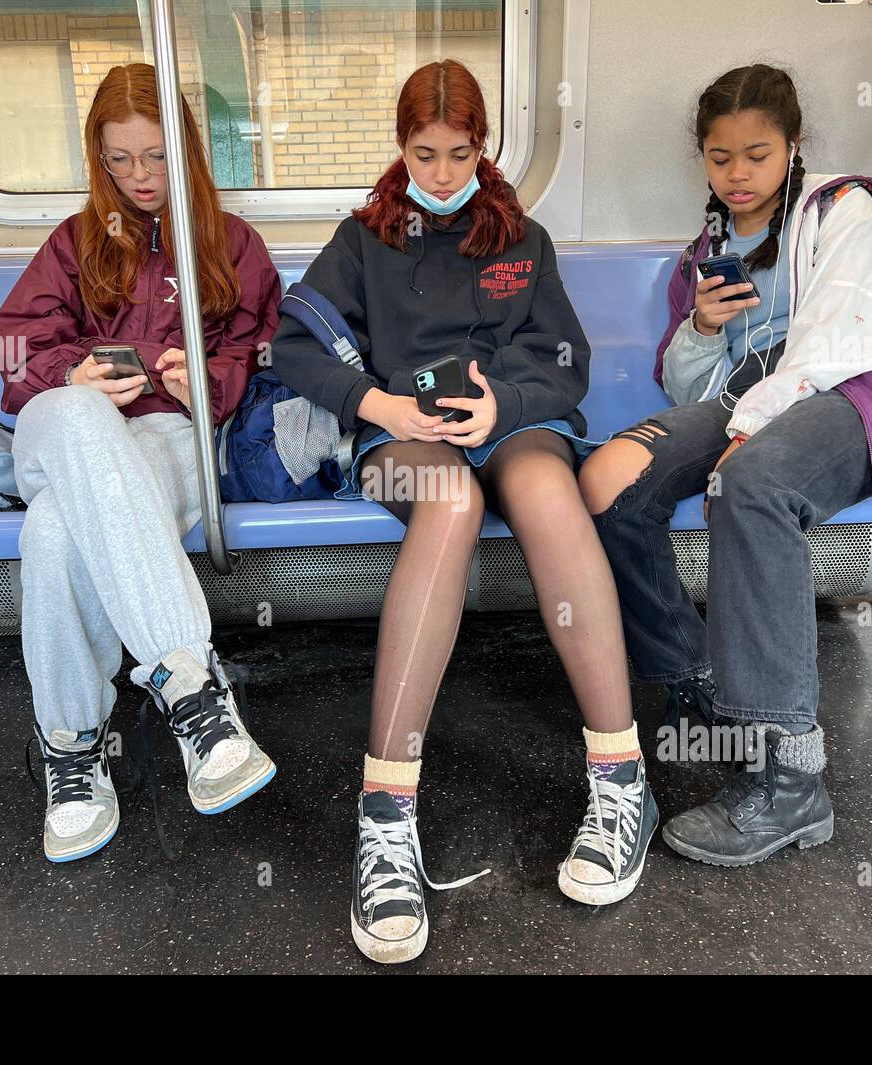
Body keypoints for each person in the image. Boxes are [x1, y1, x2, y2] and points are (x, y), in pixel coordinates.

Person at [273, 60, 655, 964]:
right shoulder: (364, 240)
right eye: (423, 154)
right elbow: (295, 349)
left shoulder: (522, 238)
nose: (441, 175)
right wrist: (381, 407)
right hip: (402, 436)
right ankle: (387, 812)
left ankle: (620, 776)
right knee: (445, 500)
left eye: (458, 154)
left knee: (546, 491)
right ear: (400, 150)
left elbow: (562, 361)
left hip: (511, 422)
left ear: (483, 148)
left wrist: (503, 409)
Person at [578, 64, 872, 868]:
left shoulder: (840, 210)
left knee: (753, 483)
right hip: (749, 404)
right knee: (608, 481)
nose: (737, 175)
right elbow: (683, 387)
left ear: (792, 147)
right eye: (718, 158)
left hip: (851, 399)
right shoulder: (708, 250)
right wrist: (704, 329)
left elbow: (840, 339)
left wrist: (752, 428)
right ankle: (697, 679)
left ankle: (790, 776)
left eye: (756, 154)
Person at [0, 63, 282, 863]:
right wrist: (71, 377)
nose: (140, 177)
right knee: (82, 414)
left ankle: (72, 745)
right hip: (63, 428)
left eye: (154, 156)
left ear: (185, 150)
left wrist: (208, 380)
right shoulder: (75, 242)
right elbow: (17, 348)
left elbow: (262, 359)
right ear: (98, 158)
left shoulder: (232, 246)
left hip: (167, 435)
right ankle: (190, 681)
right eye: (119, 159)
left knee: (54, 533)